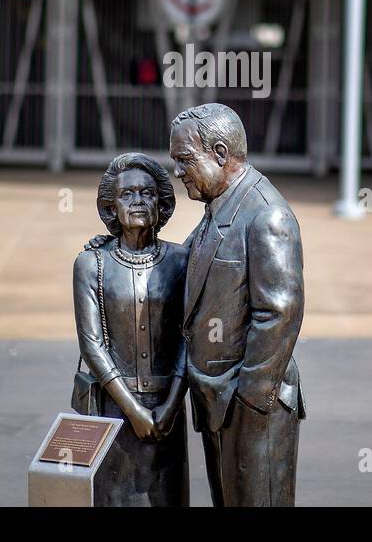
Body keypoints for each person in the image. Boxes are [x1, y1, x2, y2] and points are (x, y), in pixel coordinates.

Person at [168, 103, 306, 507]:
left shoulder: (266, 216)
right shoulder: (222, 206)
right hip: (219, 402)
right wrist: (118, 249)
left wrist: (247, 402)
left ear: (220, 154)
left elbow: (279, 313)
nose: (178, 172)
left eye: (185, 159)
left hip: (249, 407)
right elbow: (188, 266)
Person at [72, 152, 189, 506]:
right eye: (127, 194)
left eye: (148, 193)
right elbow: (92, 346)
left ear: (162, 204)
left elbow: (189, 337)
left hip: (168, 406)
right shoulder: (91, 264)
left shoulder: (181, 260)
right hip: (113, 410)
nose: (138, 201)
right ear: (111, 207)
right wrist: (133, 411)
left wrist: (170, 405)